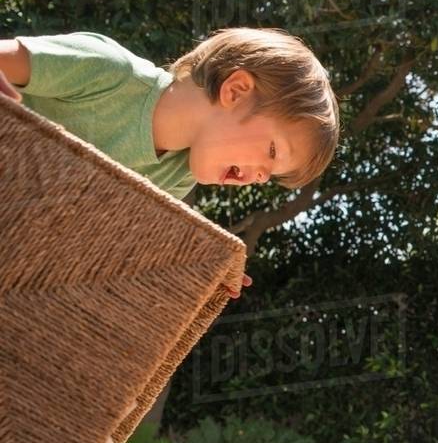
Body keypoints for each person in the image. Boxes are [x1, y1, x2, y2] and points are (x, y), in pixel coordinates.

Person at [0, 28, 340, 297]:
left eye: (271, 175)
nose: (262, 176)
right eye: (271, 152)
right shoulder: (108, 72)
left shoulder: (176, 179)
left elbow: (112, 252)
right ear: (234, 91)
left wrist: (199, 277)